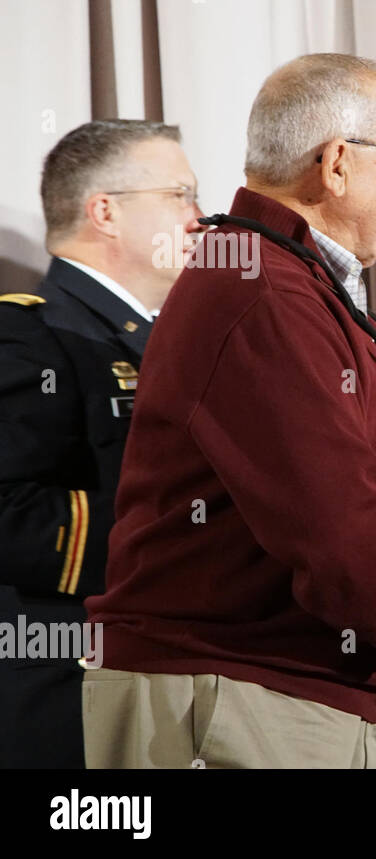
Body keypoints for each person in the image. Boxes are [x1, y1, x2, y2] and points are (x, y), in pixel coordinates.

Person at [83, 53, 376, 769]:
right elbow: (342, 533)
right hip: (235, 700)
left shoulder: (275, 276)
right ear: (337, 163)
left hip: (254, 694)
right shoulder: (263, 293)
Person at [0, 120, 204, 768]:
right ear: (105, 211)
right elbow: (10, 510)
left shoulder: (177, 343)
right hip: (66, 690)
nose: (200, 218)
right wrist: (187, 542)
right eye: (180, 194)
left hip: (168, 683)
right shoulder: (31, 333)